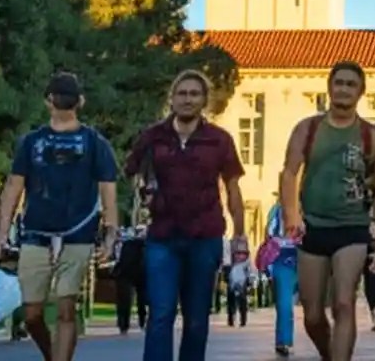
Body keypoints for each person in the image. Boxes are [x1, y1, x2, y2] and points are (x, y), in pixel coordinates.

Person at [0, 73, 119, 361]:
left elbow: (108, 189)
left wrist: (111, 232)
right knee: (32, 312)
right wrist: (2, 231)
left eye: (68, 96)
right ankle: (52, 355)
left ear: (80, 101)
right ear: (48, 100)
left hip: (78, 233)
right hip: (36, 232)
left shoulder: (95, 143)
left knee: (66, 306)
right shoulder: (31, 142)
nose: (62, 101)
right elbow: (14, 185)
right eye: (58, 95)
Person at [279, 60, 375, 361]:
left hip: (352, 229)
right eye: (339, 83)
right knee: (313, 315)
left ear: (361, 93)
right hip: (313, 228)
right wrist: (291, 214)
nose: (343, 89)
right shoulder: (308, 129)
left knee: (344, 303)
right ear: (329, 87)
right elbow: (290, 173)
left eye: (351, 84)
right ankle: (330, 354)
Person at [124, 69, 247, 361]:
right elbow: (130, 172)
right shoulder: (153, 137)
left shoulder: (219, 140)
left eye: (194, 94)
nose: (187, 99)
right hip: (162, 236)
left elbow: (232, 188)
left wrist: (239, 236)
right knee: (161, 313)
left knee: (196, 319)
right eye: (182, 93)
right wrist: (144, 192)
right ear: (172, 98)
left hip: (205, 236)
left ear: (204, 100)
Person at [264, 198, 299, 356]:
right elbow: (270, 233)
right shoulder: (277, 210)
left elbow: (269, 233)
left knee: (285, 302)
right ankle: (284, 340)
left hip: (298, 256)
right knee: (285, 302)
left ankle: (284, 340)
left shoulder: (276, 209)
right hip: (285, 257)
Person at [113, 223, 148, 334]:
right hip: (139, 271)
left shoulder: (125, 242)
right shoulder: (144, 244)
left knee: (124, 299)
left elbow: (117, 257)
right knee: (141, 298)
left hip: (126, 271)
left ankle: (123, 324)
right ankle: (141, 321)